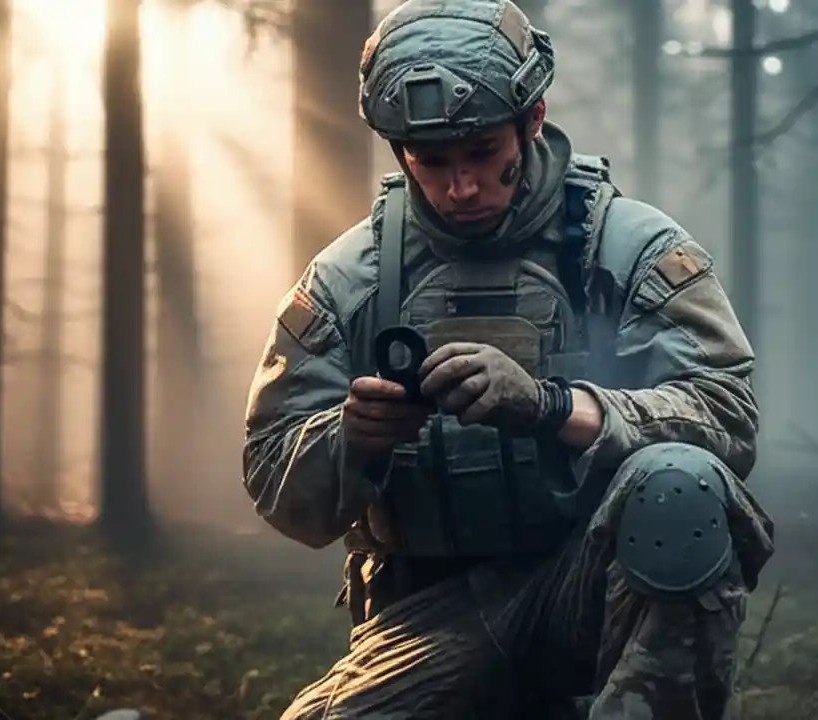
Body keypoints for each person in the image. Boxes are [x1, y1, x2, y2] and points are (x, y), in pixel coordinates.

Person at [241, 1, 775, 717]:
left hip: (588, 586)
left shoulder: (627, 252)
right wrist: (353, 438)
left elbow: (726, 416)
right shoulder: (350, 281)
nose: (460, 187)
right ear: (399, 151)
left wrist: (554, 408)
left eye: (483, 153)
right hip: (427, 617)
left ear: (533, 119)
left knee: (678, 488)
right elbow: (273, 479)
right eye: (432, 161)